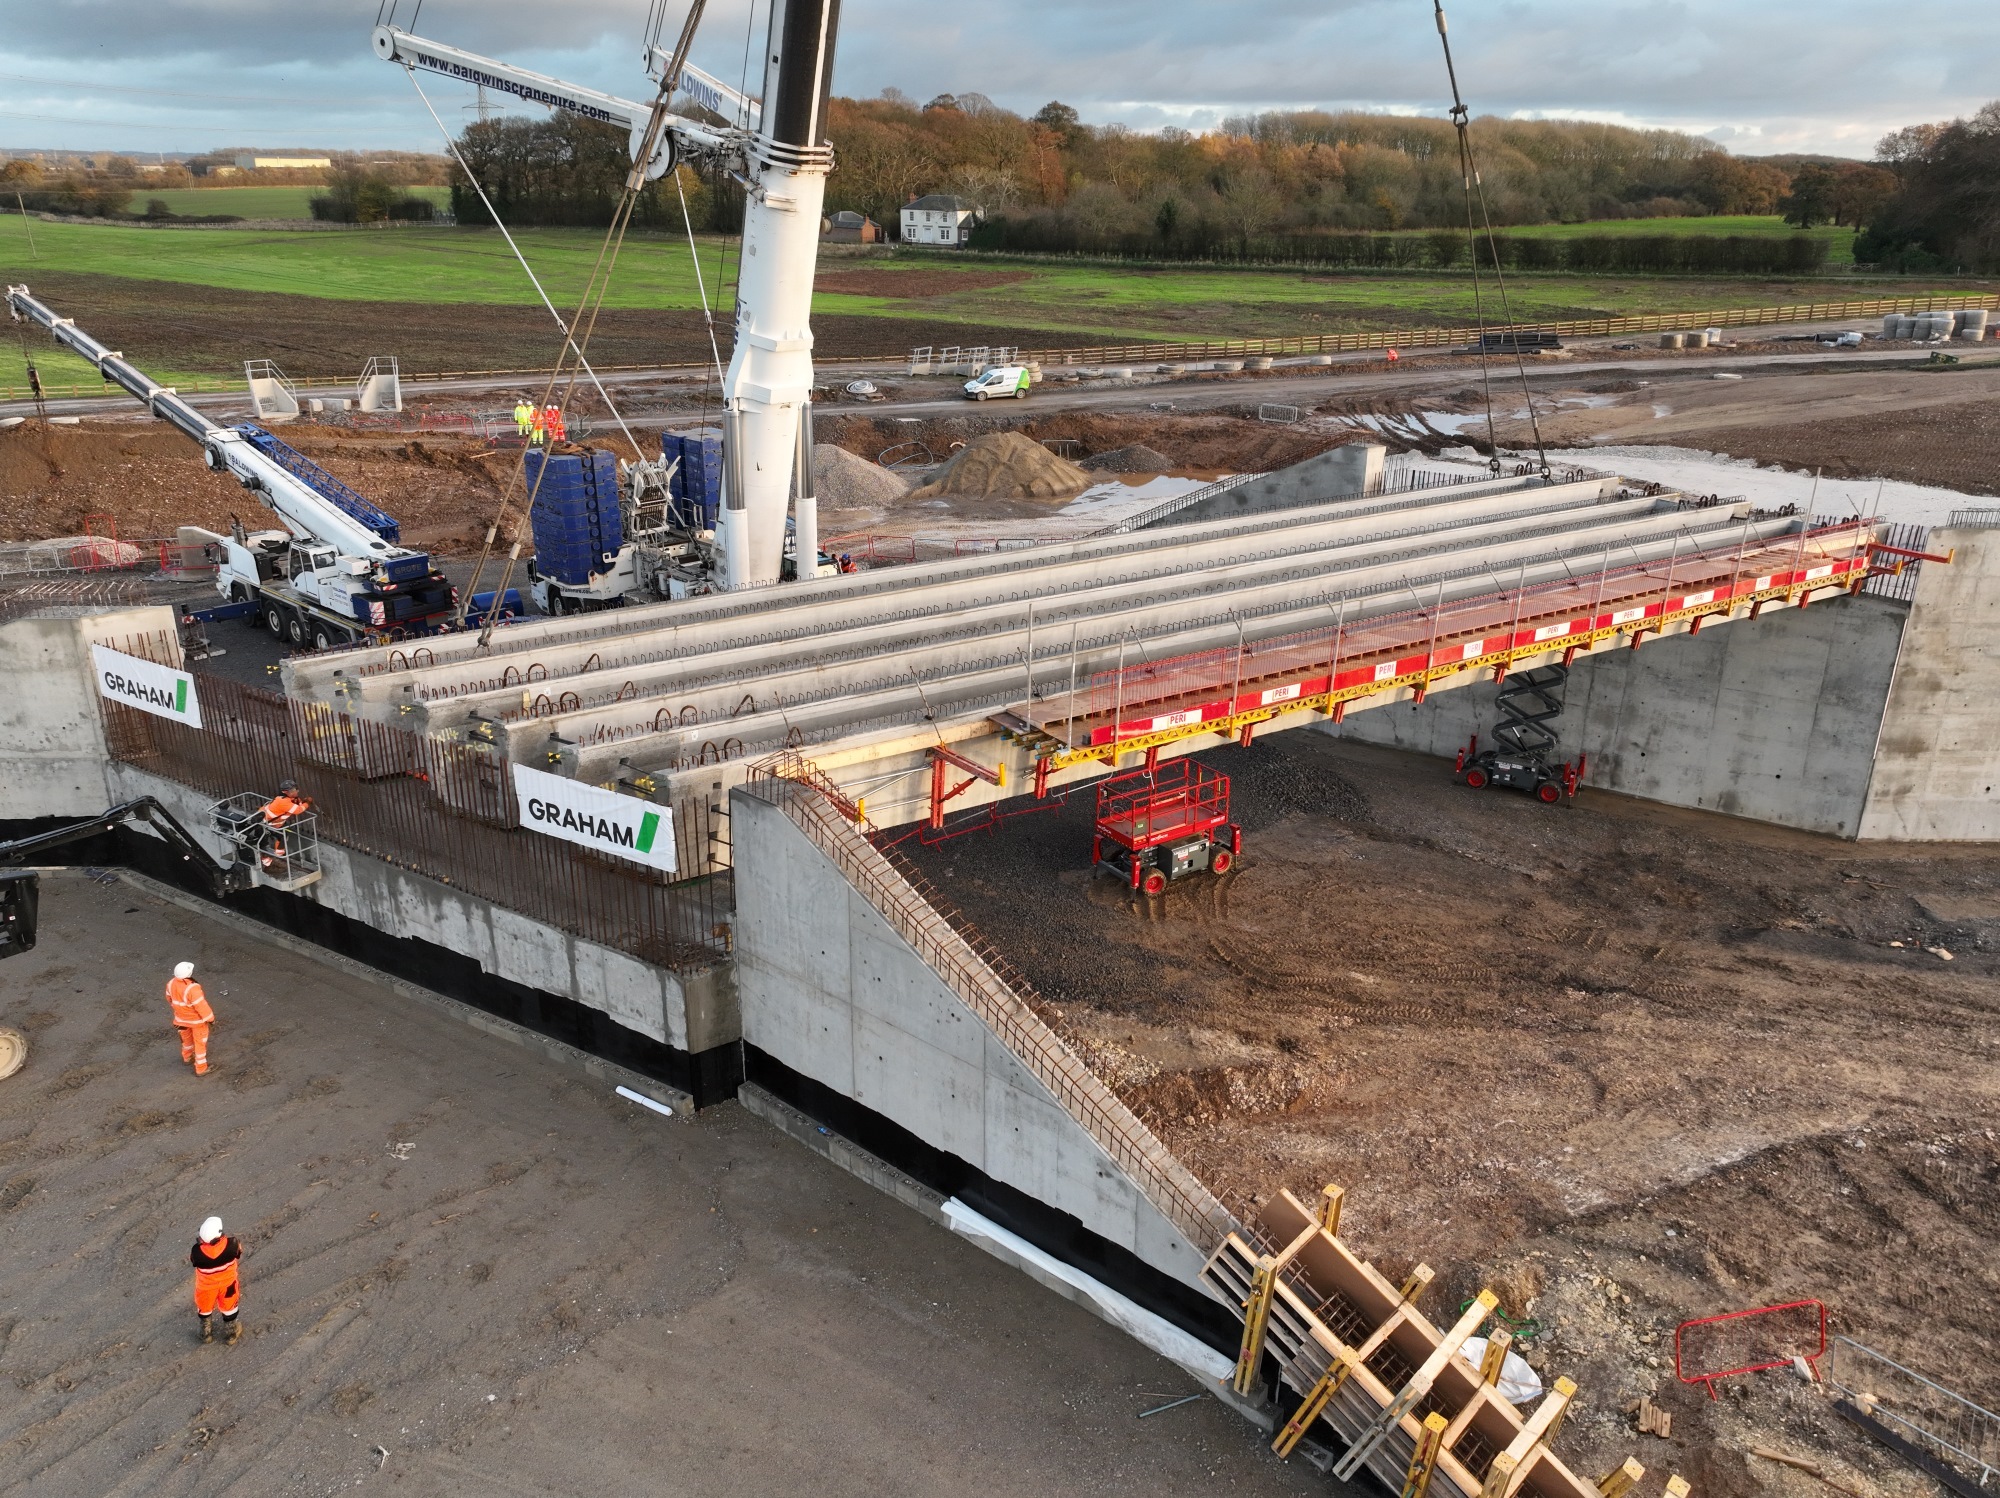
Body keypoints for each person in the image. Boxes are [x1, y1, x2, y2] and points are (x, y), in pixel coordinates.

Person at [190, 1216, 243, 1344]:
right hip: (228, 1284)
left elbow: (193, 1261)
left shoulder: (197, 1251)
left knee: (205, 1307)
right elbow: (239, 1253)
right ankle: (231, 1333)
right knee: (229, 1306)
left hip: (205, 1287)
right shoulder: (232, 1244)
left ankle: (205, 1333)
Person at [166, 960, 216, 1076]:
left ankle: (187, 1057)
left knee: (186, 1040)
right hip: (197, 1022)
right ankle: (201, 1068)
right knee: (200, 1043)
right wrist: (210, 1019)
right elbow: (201, 1006)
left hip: (180, 1020)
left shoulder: (171, 983)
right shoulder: (192, 988)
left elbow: (169, 999)